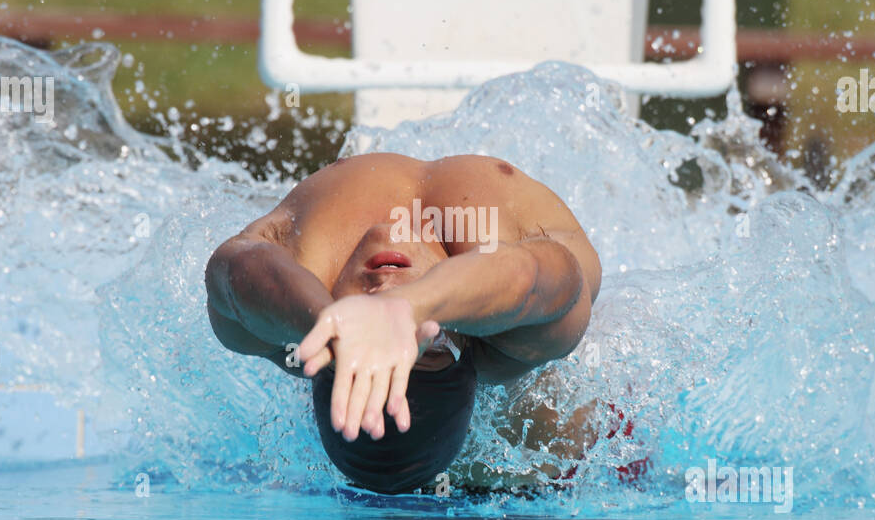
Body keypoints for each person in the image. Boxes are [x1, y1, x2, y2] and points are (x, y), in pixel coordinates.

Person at [204, 152, 602, 494]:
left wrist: (331, 323)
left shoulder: (300, 284)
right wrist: (414, 305)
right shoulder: (526, 338)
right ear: (464, 346)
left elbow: (230, 268)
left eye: (365, 341)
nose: (383, 291)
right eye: (424, 345)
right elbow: (535, 273)